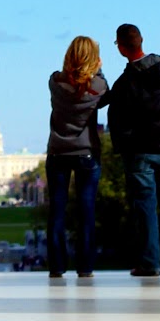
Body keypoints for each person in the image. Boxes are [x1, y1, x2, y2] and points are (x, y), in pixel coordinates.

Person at [106, 22, 160, 278]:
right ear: (141, 40)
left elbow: (116, 120)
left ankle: (149, 263)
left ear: (121, 48)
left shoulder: (124, 84)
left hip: (140, 151)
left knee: (145, 206)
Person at [45, 36, 108, 280]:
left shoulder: (55, 82)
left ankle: (57, 267)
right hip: (86, 152)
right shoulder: (98, 86)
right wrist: (98, 69)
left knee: (57, 213)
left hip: (58, 151)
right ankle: (85, 267)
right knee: (86, 212)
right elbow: (103, 92)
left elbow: (63, 78)